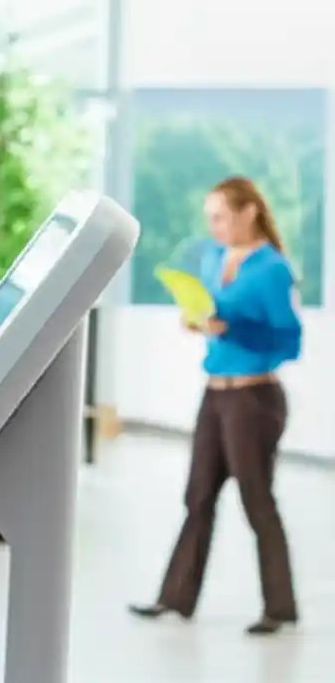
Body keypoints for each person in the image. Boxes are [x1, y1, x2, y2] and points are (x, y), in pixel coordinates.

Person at [129, 175, 301, 635]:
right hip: (215, 392)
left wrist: (233, 329)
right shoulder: (214, 257)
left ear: (249, 212)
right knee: (198, 495)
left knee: (256, 497)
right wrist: (198, 323)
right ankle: (175, 598)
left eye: (222, 216)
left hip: (255, 398)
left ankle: (279, 608)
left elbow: (290, 340)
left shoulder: (272, 269)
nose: (215, 226)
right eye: (210, 218)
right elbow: (209, 310)